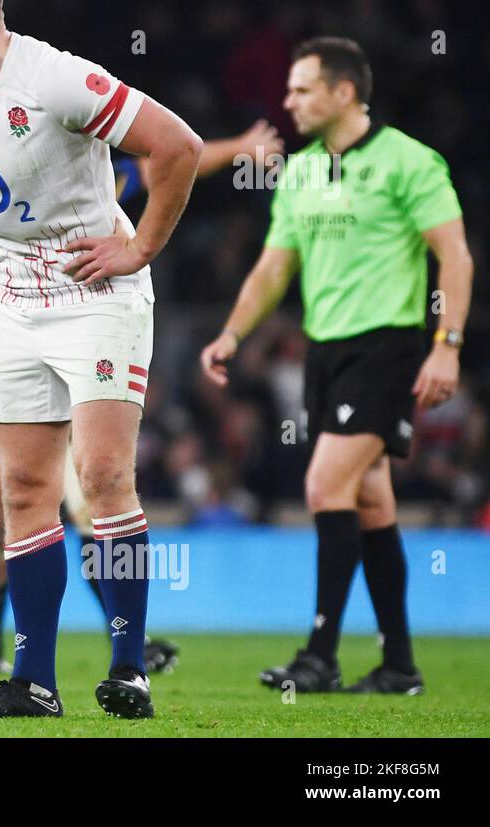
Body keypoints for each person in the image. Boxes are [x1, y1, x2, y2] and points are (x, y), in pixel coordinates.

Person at [0, 0, 201, 719]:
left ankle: (129, 667)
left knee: (102, 478)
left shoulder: (55, 77)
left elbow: (178, 147)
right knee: (25, 490)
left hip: (94, 288)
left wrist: (137, 247)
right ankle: (33, 682)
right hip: (13, 294)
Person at [0, 123, 279, 675]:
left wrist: (239, 150)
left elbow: (174, 160)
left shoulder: (95, 188)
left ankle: (126, 645)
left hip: (80, 355)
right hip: (5, 360)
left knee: (92, 498)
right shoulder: (1, 196)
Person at [200, 37, 473, 695]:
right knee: (371, 500)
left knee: (324, 485)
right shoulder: (299, 172)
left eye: (301, 88)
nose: (287, 100)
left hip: (386, 346)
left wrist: (448, 343)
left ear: (344, 92)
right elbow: (273, 267)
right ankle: (400, 665)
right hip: (326, 352)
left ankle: (319, 654)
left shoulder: (409, 161)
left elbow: (455, 255)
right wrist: (234, 332)